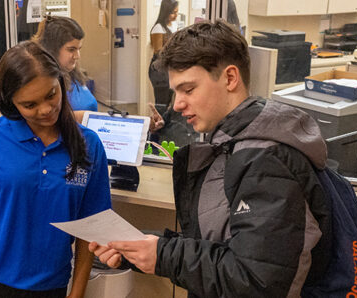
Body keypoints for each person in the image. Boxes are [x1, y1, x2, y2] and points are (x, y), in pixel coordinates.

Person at [90, 20, 333, 297]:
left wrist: (164, 255)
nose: (177, 104)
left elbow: (255, 280)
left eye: (188, 89)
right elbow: (221, 245)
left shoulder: (266, 161)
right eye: (175, 92)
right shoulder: (232, 145)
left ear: (230, 78)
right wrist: (141, 248)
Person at [0, 41, 111, 298]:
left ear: (60, 82)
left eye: (51, 94)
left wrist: (76, 294)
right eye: (29, 105)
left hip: (51, 286)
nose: (45, 110)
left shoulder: (89, 145)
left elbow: (91, 231)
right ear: (11, 103)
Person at [32, 16, 97, 112]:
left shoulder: (72, 74)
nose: (77, 56)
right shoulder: (42, 83)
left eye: (79, 49)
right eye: (71, 50)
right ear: (52, 50)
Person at [149, 0, 179, 115]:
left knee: (169, 100)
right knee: (162, 101)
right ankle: (158, 128)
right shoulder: (158, 28)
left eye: (177, 12)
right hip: (159, 69)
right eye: (173, 12)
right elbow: (158, 52)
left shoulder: (173, 25)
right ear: (165, 12)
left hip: (168, 67)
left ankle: (165, 126)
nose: (175, 15)